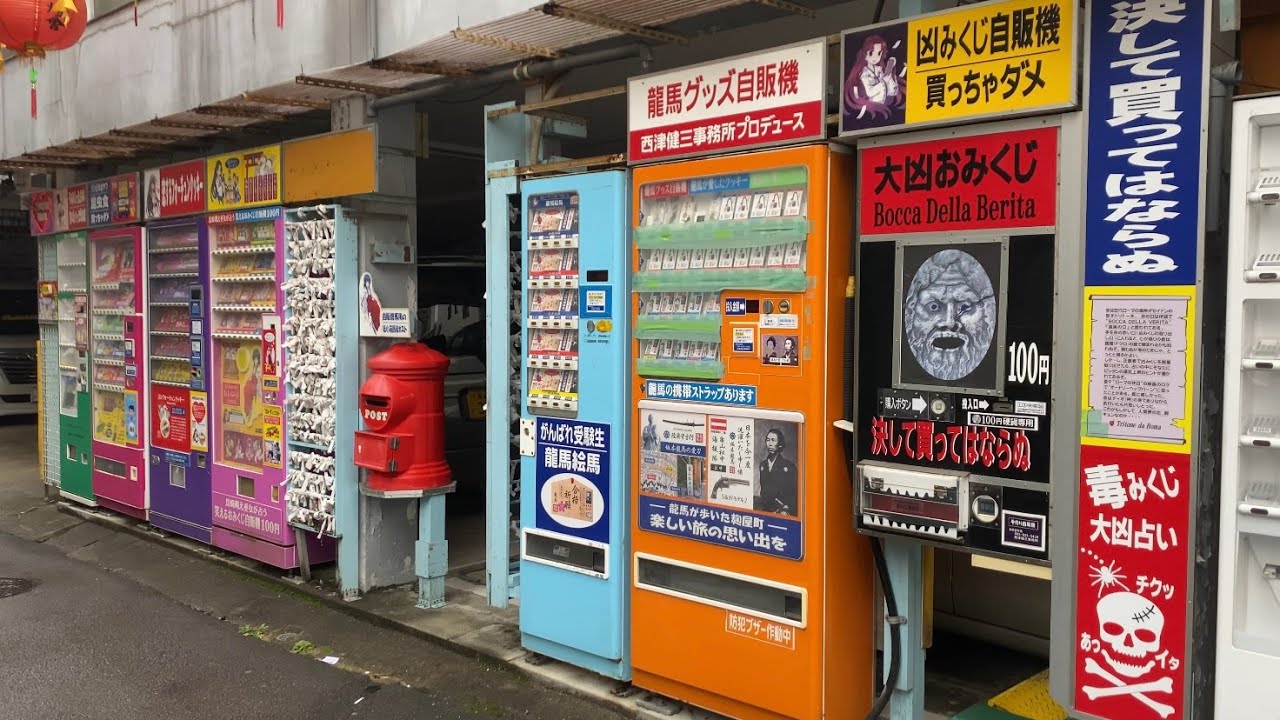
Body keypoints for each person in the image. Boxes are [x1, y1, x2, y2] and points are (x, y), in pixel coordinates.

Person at [844, 34, 902, 121]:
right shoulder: (864, 73)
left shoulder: (879, 69)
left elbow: (892, 91)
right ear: (864, 53)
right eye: (871, 53)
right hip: (871, 110)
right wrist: (884, 81)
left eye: (879, 53)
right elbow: (870, 92)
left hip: (883, 108)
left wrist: (891, 72)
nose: (875, 57)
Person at [755, 428, 798, 516]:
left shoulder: (789, 467)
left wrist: (787, 508)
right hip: (765, 510)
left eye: (773, 440)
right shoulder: (763, 465)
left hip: (782, 510)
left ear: (780, 444)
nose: (770, 444)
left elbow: (795, 493)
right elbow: (764, 490)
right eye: (768, 440)